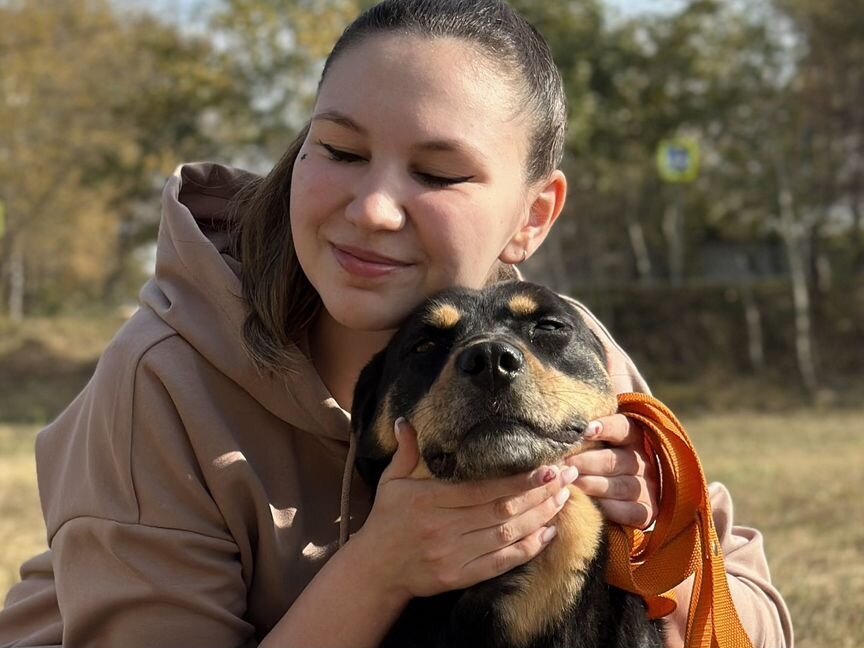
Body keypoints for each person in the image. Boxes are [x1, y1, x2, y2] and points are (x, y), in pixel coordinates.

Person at [0, 1, 793, 646]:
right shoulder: (162, 377)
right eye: (340, 151)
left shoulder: (559, 349)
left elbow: (756, 619)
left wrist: (661, 539)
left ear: (534, 215)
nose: (373, 209)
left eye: (438, 172)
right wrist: (381, 569)